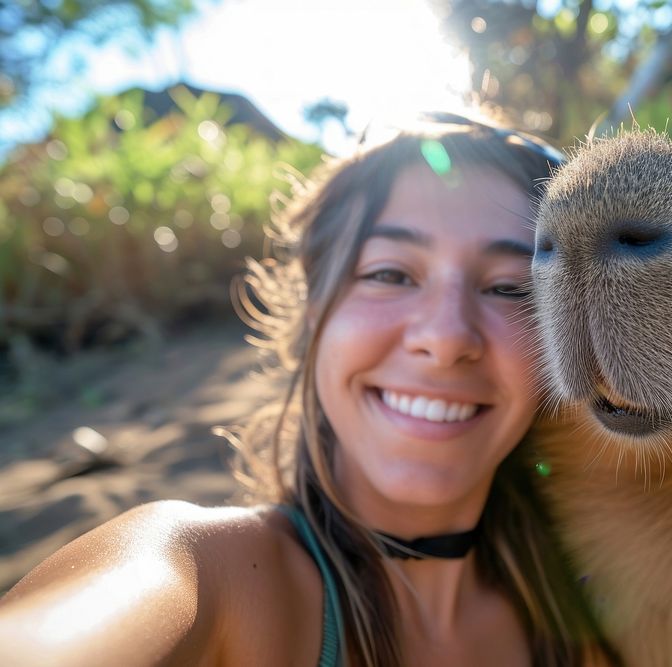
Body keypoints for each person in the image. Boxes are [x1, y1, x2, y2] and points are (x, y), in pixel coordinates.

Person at [0, 112, 613, 666]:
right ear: (313, 317)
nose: (447, 336)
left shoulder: (585, 612)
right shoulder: (212, 574)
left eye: (510, 287)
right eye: (390, 274)